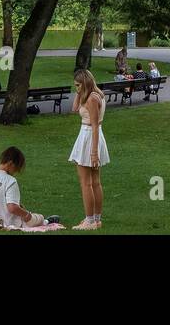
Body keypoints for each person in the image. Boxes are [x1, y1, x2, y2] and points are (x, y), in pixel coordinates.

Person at [68, 68, 109, 230]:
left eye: (78, 85)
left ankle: (90, 221)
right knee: (95, 182)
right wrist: (79, 92)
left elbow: (94, 126)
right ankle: (96, 220)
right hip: (91, 135)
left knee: (87, 183)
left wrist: (93, 152)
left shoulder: (92, 99)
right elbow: (74, 108)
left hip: (89, 136)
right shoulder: (96, 94)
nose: (76, 88)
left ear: (85, 83)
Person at [0, 147, 56, 229]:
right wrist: (26, 215)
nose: (15, 172)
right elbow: (12, 207)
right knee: (38, 218)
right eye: (16, 168)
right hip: (7, 223)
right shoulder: (10, 180)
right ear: (11, 163)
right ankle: (46, 221)